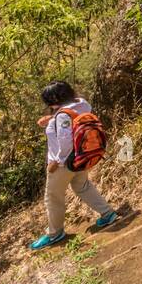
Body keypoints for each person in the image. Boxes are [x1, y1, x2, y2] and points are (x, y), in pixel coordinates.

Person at [30, 81, 119, 251]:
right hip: (82, 157)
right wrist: (51, 118)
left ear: (54, 99)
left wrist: (57, 162)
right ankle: (108, 214)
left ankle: (55, 233)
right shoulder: (83, 104)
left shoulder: (62, 115)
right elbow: (72, 114)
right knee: (82, 186)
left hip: (65, 163)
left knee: (53, 197)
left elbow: (65, 141)